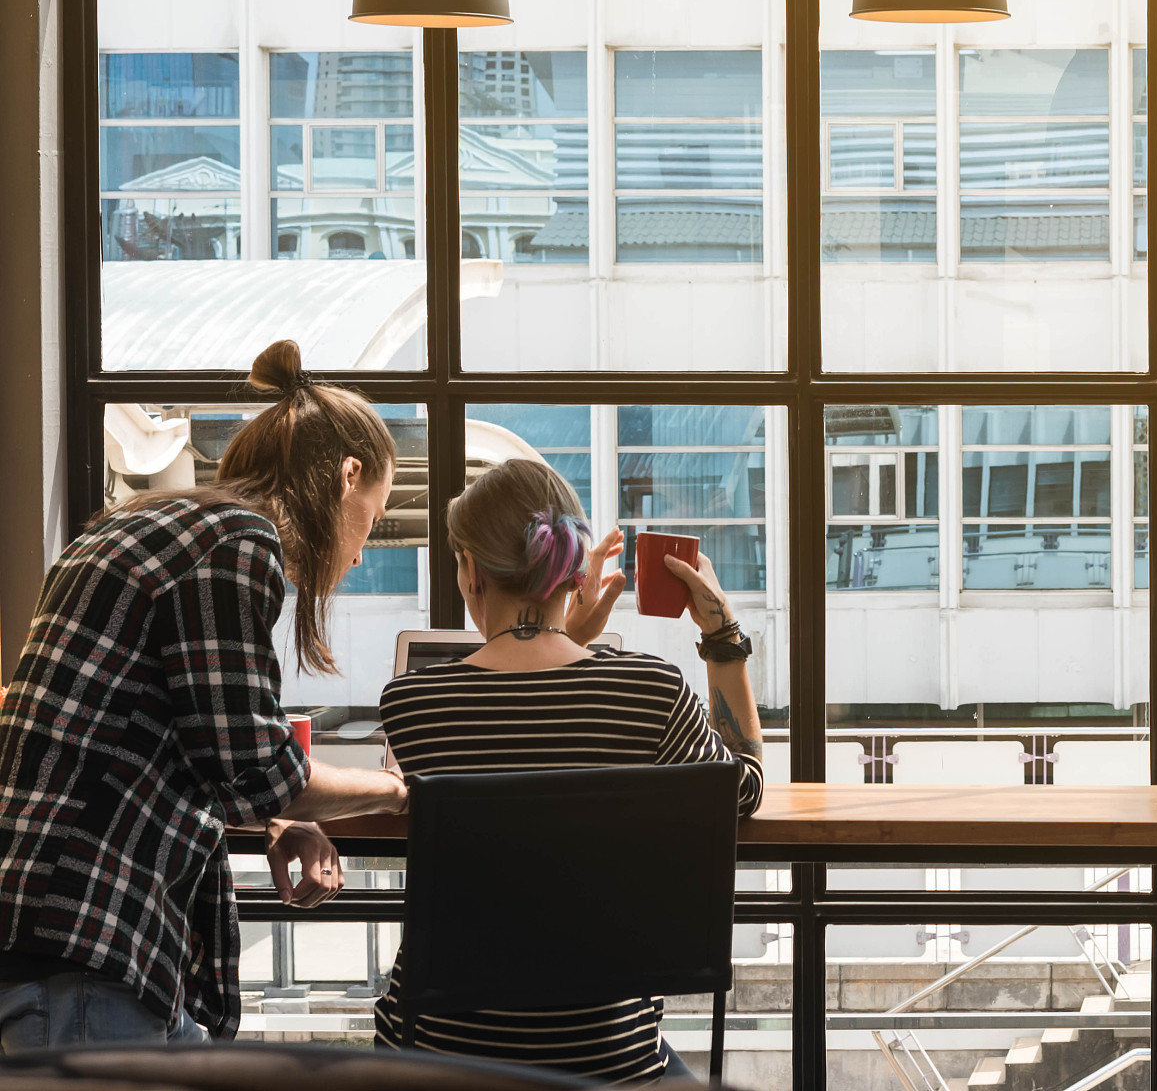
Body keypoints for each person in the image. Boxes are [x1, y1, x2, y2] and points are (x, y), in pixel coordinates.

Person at [0, 340, 412, 1049]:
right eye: (371, 520)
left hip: (41, 920)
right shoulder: (235, 542)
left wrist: (279, 820)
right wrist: (395, 793)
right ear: (347, 475)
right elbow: (253, 766)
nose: (359, 553)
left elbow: (169, 745)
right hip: (84, 935)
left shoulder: (135, 524)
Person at [374, 458, 765, 1085]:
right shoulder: (651, 691)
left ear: (470, 571)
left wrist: (565, 636)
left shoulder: (414, 704)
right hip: (607, 1060)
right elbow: (743, 786)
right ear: (574, 572)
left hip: (437, 1055)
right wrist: (722, 637)